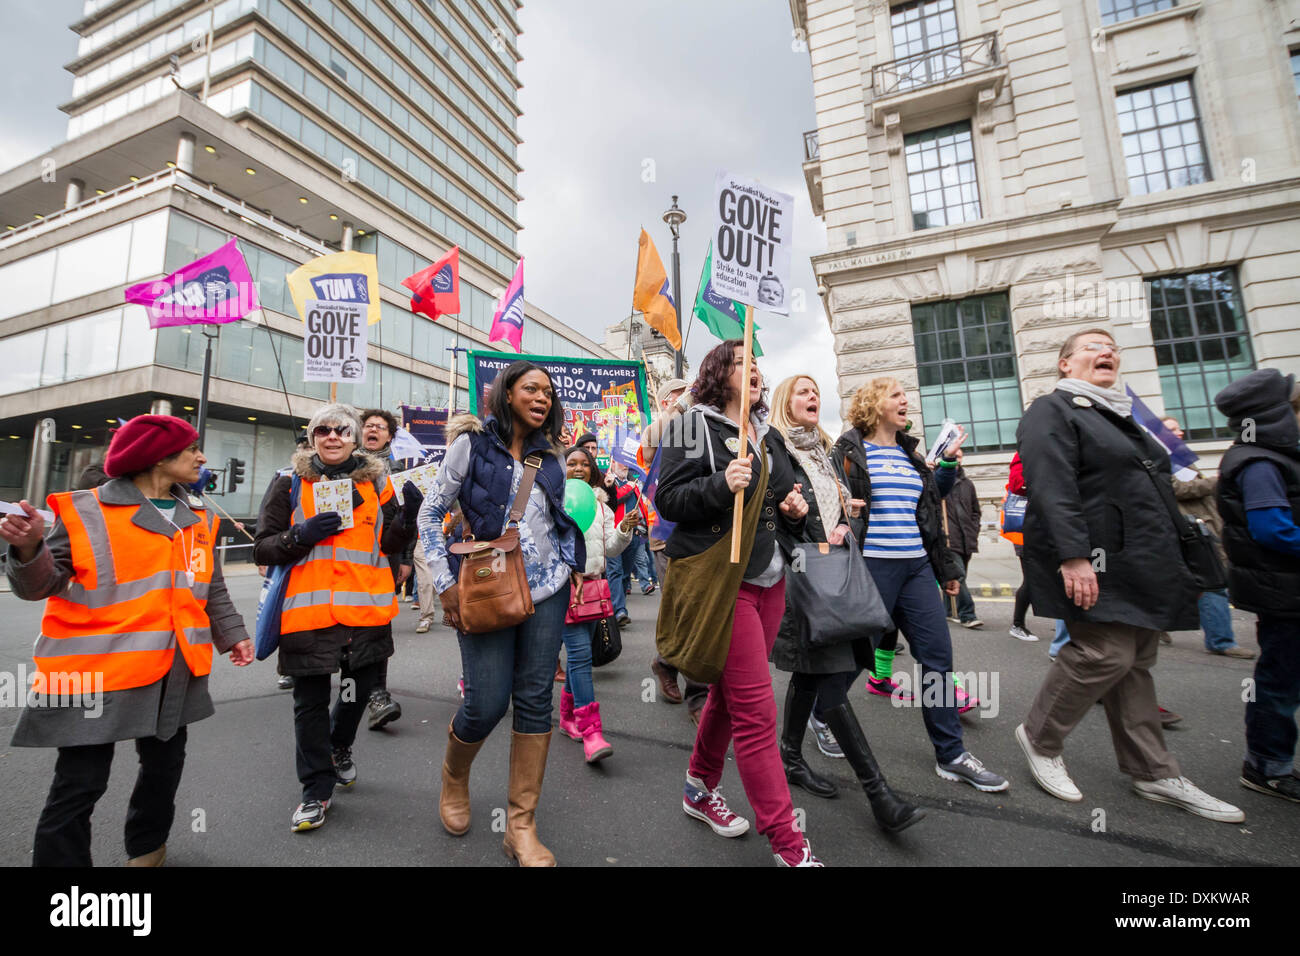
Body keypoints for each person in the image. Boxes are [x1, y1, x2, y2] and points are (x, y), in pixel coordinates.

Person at [1, 414, 253, 866]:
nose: (202, 457)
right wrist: (28, 549)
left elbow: (210, 586)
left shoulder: (199, 516)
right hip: (92, 673)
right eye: (192, 448)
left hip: (175, 669)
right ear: (156, 457)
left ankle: (147, 849)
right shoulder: (84, 509)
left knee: (163, 770)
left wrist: (232, 634)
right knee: (79, 785)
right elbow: (38, 586)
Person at [1014, 328, 1242, 821]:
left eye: (1112, 347)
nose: (1107, 352)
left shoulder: (1121, 415)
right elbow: (1052, 485)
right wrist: (1074, 556)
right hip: (1095, 559)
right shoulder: (1052, 410)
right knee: (1103, 651)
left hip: (1140, 559)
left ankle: (1153, 771)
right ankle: (1039, 737)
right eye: (1093, 347)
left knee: (1134, 659)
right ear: (1065, 365)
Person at [656, 339, 823, 866]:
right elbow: (669, 499)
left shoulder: (766, 433)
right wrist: (718, 484)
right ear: (717, 372)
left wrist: (793, 507)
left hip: (769, 582)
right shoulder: (692, 424)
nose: (754, 372)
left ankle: (698, 788)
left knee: (730, 700)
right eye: (740, 362)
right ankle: (788, 844)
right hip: (718, 584)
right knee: (756, 714)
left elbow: (780, 499)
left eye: (758, 365)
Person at [418, 360, 586, 866]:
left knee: (535, 699)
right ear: (505, 393)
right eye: (531, 388)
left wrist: (573, 565)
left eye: (549, 393)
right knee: (487, 702)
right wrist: (445, 583)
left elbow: (557, 521)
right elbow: (429, 514)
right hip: (487, 589)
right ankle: (455, 776)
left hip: (548, 591)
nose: (543, 398)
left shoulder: (552, 456)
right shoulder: (469, 446)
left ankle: (520, 825)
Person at [830, 378, 1006, 791]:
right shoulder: (849, 451)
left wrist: (946, 467)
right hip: (872, 568)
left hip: (916, 569)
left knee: (937, 660)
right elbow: (830, 500)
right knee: (855, 656)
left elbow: (929, 509)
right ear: (874, 405)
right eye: (895, 395)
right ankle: (819, 713)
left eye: (904, 395)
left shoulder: (911, 452)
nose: (905, 400)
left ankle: (951, 754)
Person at [769, 374, 925, 832]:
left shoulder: (827, 450)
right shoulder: (775, 447)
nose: (813, 397)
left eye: (816, 392)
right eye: (803, 391)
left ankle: (790, 756)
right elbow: (772, 518)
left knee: (811, 671)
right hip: (803, 576)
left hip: (836, 570)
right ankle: (879, 794)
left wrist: (848, 528)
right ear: (785, 402)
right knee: (833, 677)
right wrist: (793, 518)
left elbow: (852, 509)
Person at [254, 403, 417, 832]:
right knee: (308, 703)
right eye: (322, 430)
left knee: (355, 693)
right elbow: (263, 547)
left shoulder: (378, 483)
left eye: (341, 430)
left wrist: (410, 519)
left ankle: (339, 747)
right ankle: (315, 791)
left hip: (365, 611)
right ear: (311, 437)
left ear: (355, 436)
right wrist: (298, 536)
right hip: (307, 614)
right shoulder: (289, 483)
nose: (332, 436)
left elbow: (388, 543)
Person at [1214, 369, 1300, 803]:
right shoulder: (1259, 462)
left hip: (1286, 589)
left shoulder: (1271, 456)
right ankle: (1267, 766)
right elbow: (1272, 530)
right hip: (1285, 595)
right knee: (1280, 683)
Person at [558, 445, 638, 762]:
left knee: (583, 657)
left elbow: (611, 548)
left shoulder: (601, 506)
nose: (578, 468)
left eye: (583, 464)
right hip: (565, 590)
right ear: (561, 468)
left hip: (594, 590)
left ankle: (567, 717)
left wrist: (624, 528)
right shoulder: (551, 504)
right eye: (571, 463)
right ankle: (591, 731)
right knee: (579, 656)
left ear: (592, 469)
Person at [642, 378, 710, 720]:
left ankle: (666, 661)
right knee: (684, 610)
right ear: (669, 399)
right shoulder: (659, 426)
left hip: (702, 530)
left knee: (701, 609)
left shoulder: (703, 423)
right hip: (667, 534)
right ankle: (697, 693)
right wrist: (682, 403)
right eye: (681, 393)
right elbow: (654, 442)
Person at [1160, 416, 1255, 660]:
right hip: (1192, 530)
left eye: (1179, 428)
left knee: (1187, 583)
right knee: (1214, 583)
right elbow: (1177, 490)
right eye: (1172, 429)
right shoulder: (1162, 459)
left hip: (1204, 527)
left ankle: (1155, 626)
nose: (1179, 432)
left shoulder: (1181, 459)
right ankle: (1221, 641)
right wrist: (1216, 482)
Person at [359, 408, 417, 729]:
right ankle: (355, 694)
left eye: (380, 427)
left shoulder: (398, 472)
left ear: (389, 437)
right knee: (351, 634)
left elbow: (407, 519)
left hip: (386, 559)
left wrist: (406, 558)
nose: (373, 430)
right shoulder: (344, 468)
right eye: (369, 425)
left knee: (379, 626)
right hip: (348, 566)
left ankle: (377, 694)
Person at [942, 447, 984, 628]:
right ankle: (968, 614)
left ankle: (949, 610)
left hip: (966, 537)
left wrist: (974, 529)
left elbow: (975, 510)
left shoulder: (967, 484)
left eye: (959, 456)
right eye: (954, 456)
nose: (957, 460)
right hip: (948, 539)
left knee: (957, 576)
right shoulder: (942, 480)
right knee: (958, 575)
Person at [1005, 452, 1039, 642]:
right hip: (1026, 532)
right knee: (1031, 580)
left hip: (1050, 530)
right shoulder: (1025, 453)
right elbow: (1017, 484)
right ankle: (1018, 624)